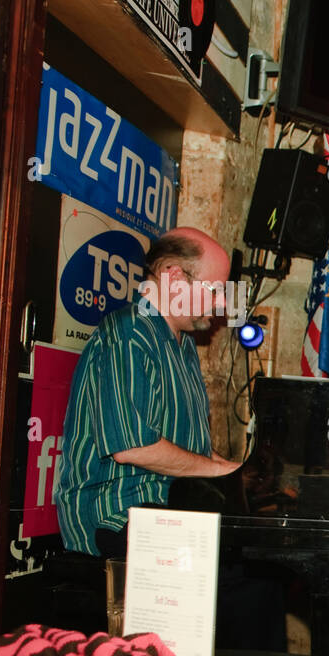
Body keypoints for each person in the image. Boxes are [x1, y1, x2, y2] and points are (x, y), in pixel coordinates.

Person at [56, 227, 240, 557]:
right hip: (116, 515)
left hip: (167, 511)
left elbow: (192, 452)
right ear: (173, 279)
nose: (223, 302)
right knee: (242, 588)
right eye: (214, 290)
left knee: (254, 574)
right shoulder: (128, 333)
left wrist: (240, 474)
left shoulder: (183, 348)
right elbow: (132, 447)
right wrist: (223, 472)